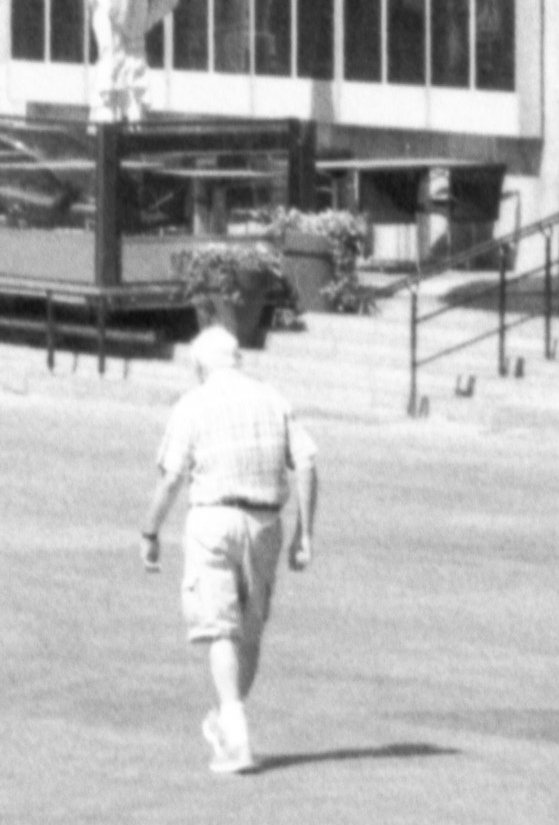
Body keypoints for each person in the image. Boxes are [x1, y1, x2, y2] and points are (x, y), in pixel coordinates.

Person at [137, 316, 319, 776]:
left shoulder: (193, 404)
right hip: (264, 521)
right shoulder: (272, 398)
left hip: (213, 520)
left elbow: (172, 476)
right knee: (249, 629)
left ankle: (236, 738)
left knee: (221, 630)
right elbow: (308, 464)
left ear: (200, 367)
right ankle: (227, 720)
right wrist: (305, 533)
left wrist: (150, 531)